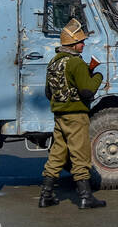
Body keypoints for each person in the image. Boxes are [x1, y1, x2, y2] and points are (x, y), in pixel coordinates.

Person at [40, 19, 106, 209]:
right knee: (80, 156)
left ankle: (46, 196)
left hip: (59, 116)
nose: (83, 44)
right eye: (81, 42)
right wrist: (97, 76)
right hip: (76, 115)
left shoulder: (54, 62)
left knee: (56, 155)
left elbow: (47, 92)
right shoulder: (76, 63)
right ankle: (86, 197)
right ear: (73, 44)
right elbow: (87, 91)